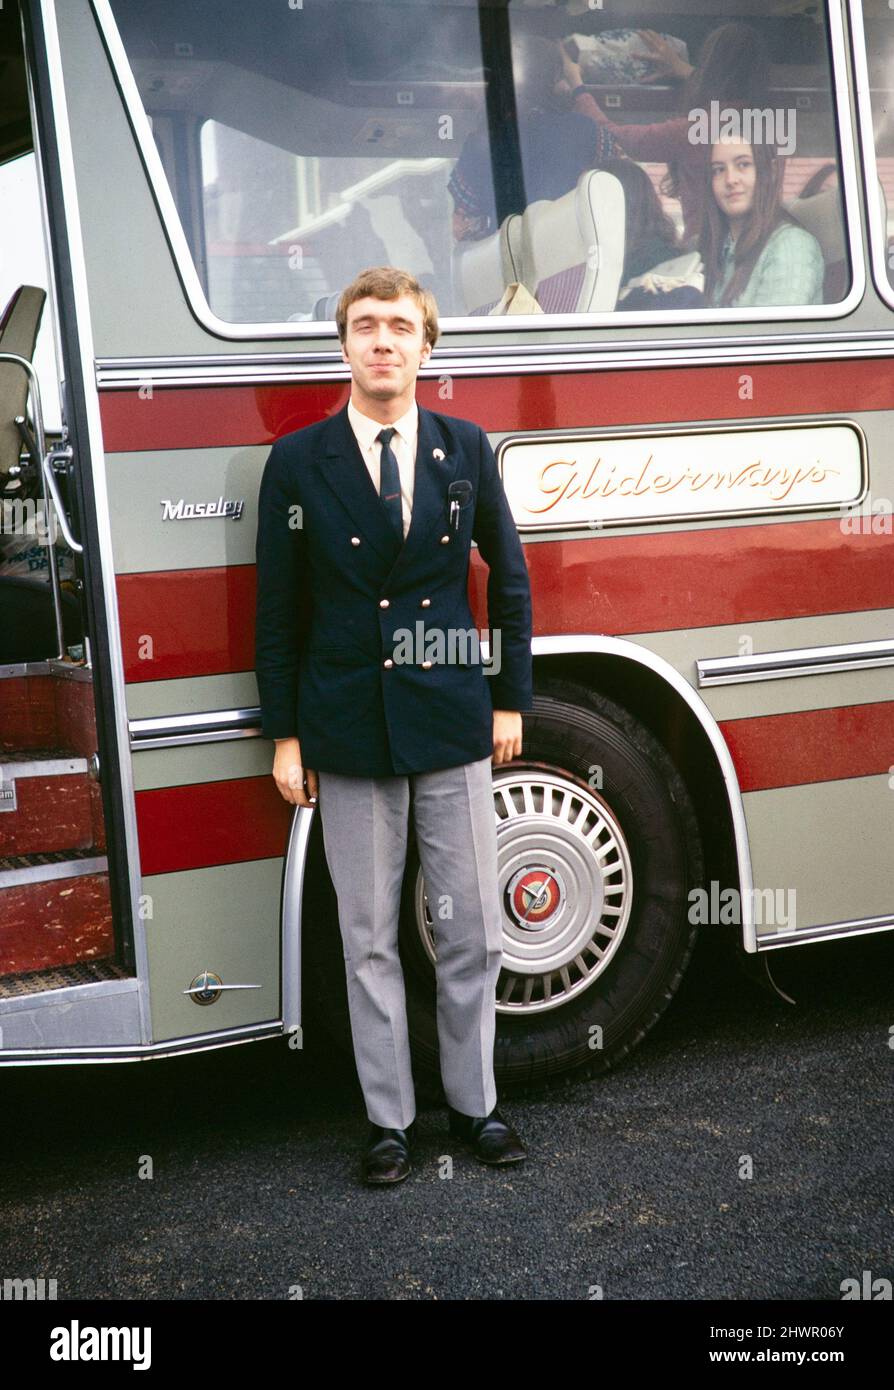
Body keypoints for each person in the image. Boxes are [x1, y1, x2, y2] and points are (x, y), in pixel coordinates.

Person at [254, 266, 534, 1185]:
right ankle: (389, 1124)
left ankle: (477, 1108)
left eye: (401, 327)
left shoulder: (465, 446)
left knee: (473, 934)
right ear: (343, 345)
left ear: (427, 348)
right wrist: (287, 735)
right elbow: (278, 610)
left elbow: (513, 584)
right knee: (368, 936)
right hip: (346, 733)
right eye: (366, 325)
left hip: (452, 723)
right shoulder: (299, 461)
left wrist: (507, 700)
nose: (383, 340)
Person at [559, 22, 771, 248]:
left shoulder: (696, 130)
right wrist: (685, 70)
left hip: (708, 252)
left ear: (710, 68)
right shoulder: (770, 123)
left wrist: (577, 87)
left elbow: (615, 137)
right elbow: (733, 91)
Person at [449, 34, 616, 242]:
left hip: (508, 263)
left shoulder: (478, 143)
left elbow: (465, 223)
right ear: (555, 79)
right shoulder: (591, 132)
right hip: (572, 259)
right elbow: (615, 195)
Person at [701, 138, 824, 308]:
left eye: (743, 165)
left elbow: (774, 331)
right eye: (719, 170)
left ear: (771, 171)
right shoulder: (709, 248)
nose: (730, 179)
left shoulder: (790, 245)